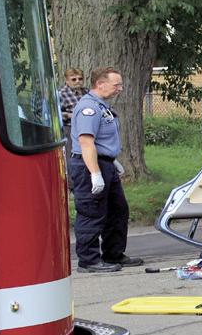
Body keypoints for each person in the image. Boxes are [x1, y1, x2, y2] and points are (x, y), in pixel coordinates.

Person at [68, 67, 141, 273]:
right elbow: (86, 142)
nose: (120, 88)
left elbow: (101, 140)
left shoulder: (102, 106)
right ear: (100, 84)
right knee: (92, 212)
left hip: (104, 163)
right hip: (89, 165)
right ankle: (89, 260)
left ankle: (113, 254)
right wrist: (95, 173)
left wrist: (110, 160)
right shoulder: (88, 108)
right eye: (116, 84)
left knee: (118, 210)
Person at [58, 68, 88, 154]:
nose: (78, 81)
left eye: (80, 79)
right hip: (70, 129)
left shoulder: (87, 92)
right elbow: (55, 115)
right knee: (72, 156)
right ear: (67, 81)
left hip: (87, 128)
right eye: (74, 79)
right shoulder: (61, 93)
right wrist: (69, 115)